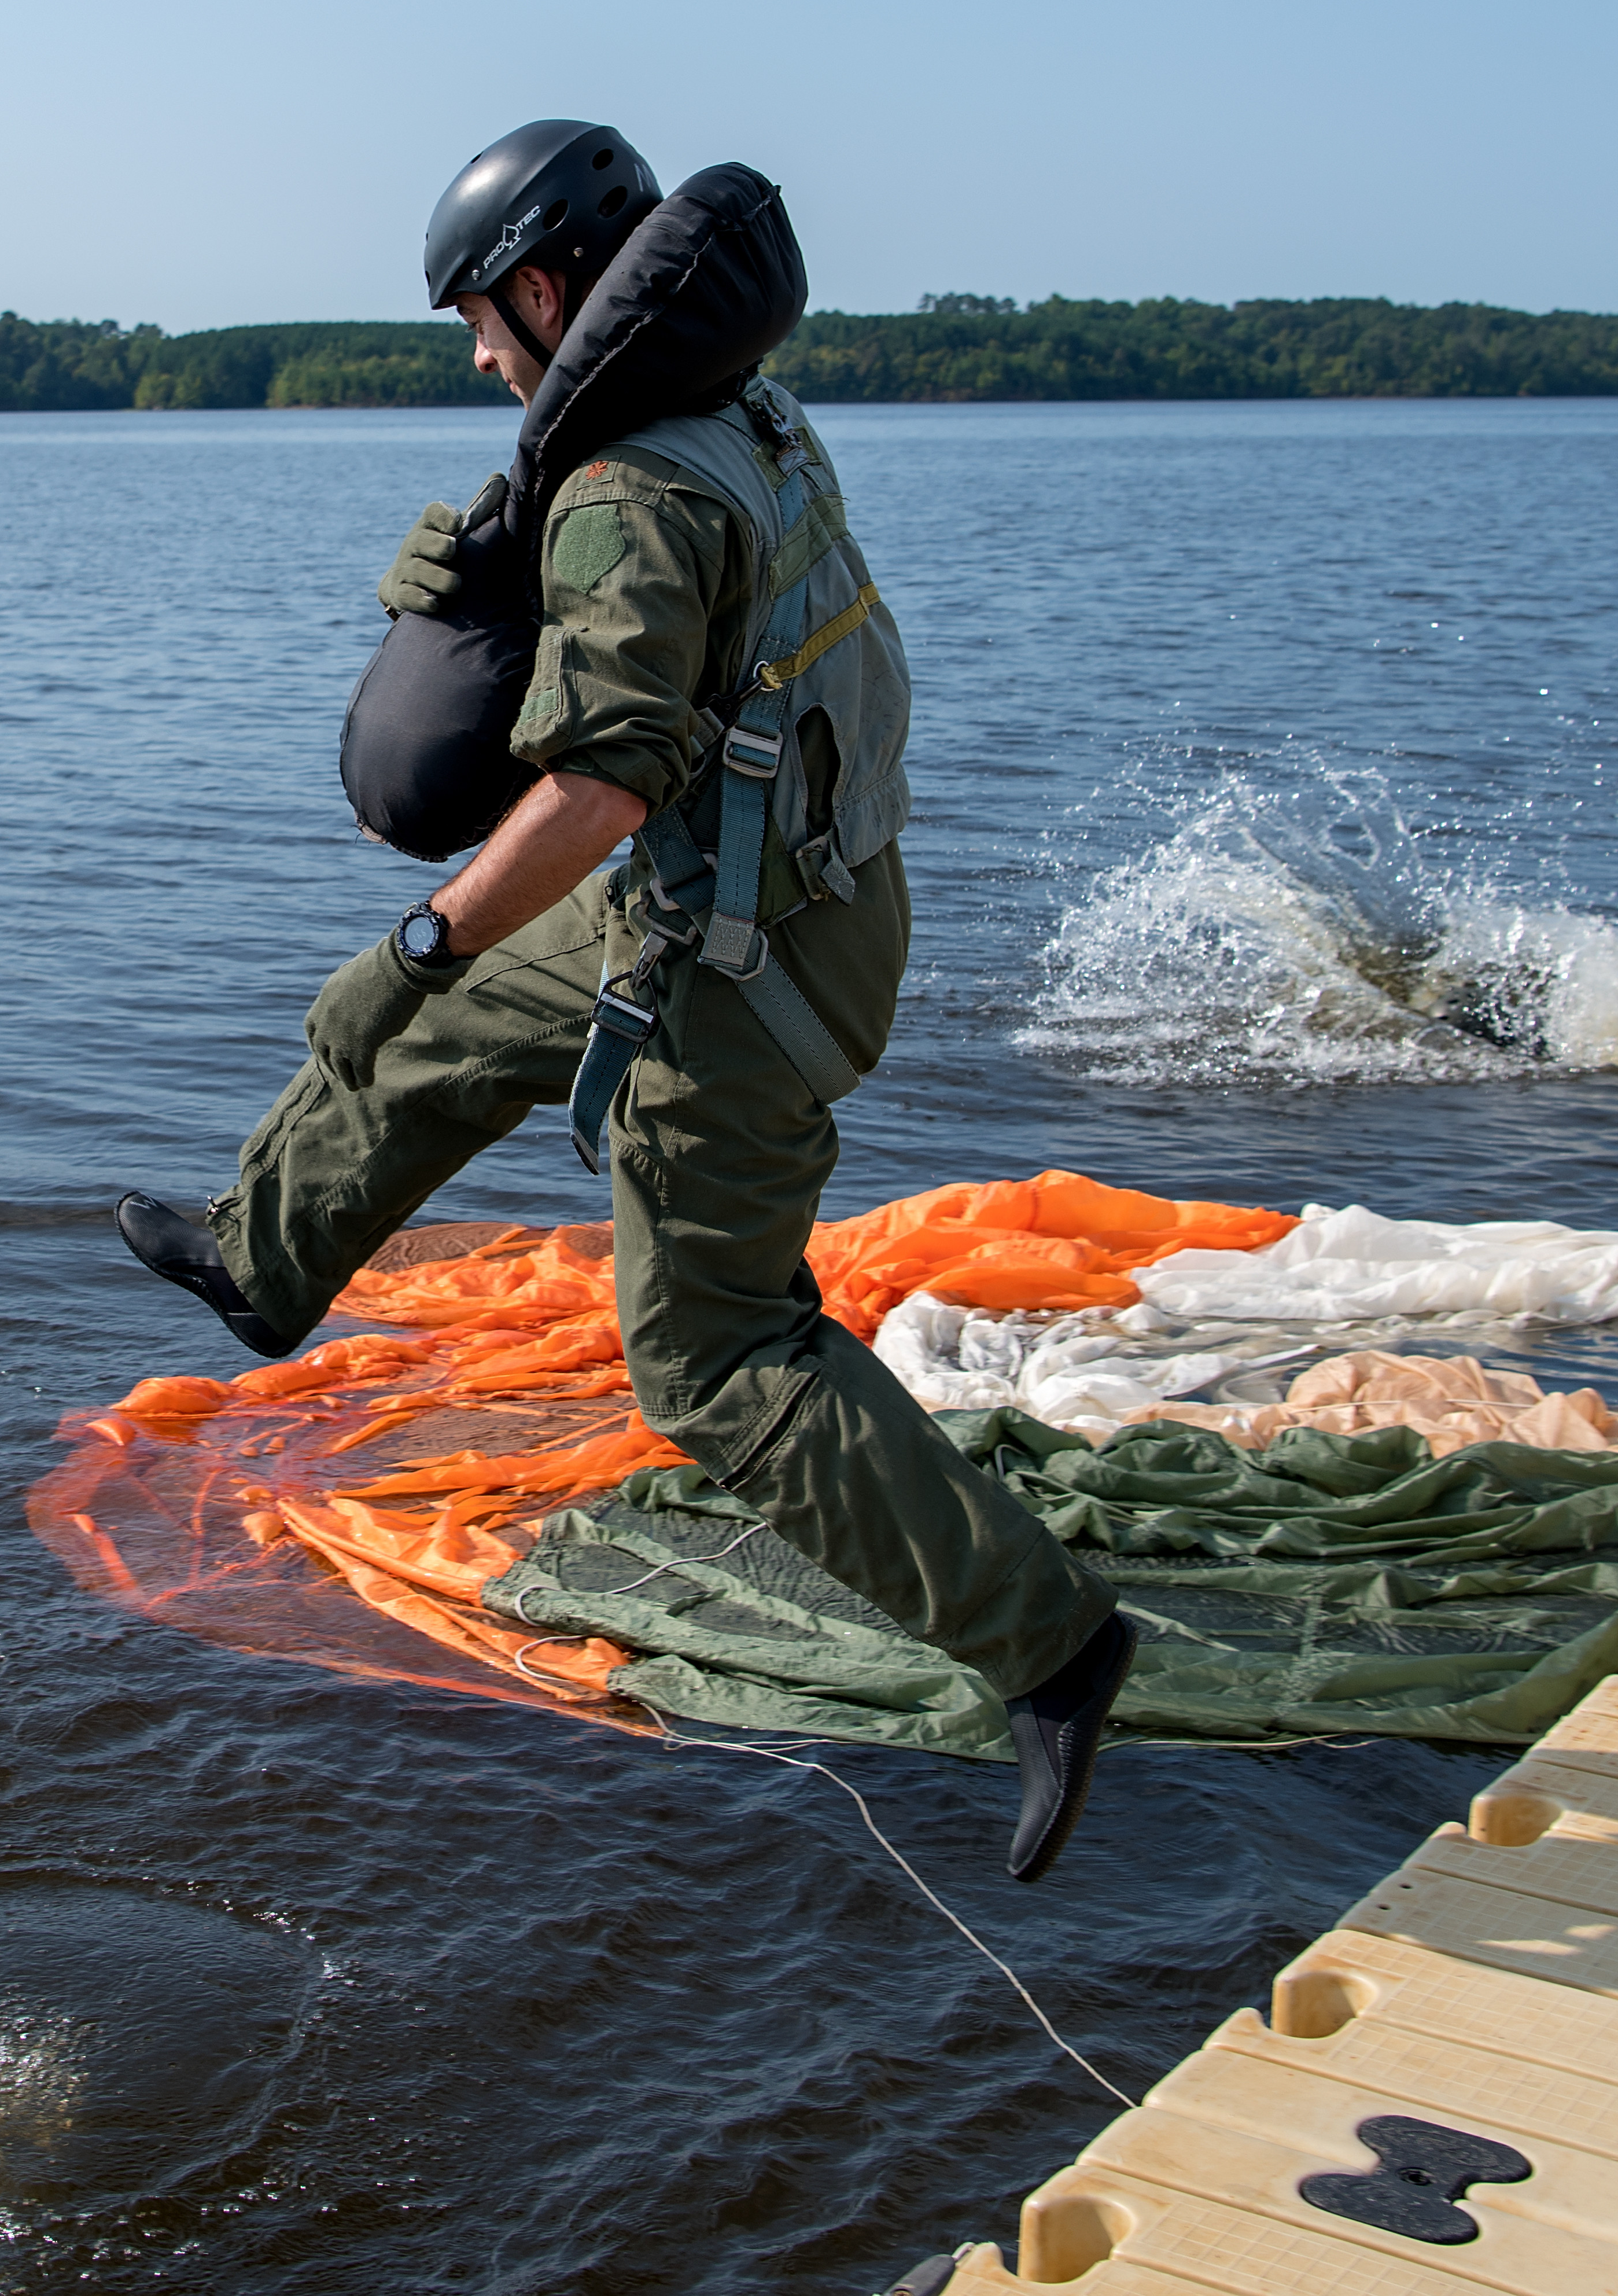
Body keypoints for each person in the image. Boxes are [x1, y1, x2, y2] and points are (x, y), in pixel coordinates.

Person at [113, 121, 1135, 1882]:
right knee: (454, 1026)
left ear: (537, 282)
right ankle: (262, 1253)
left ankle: (1050, 1649)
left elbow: (592, 783)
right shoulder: (735, 408)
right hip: (759, 897)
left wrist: (415, 938)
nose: (481, 358)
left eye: (478, 321)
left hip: (744, 972)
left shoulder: (632, 490)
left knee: (713, 1354)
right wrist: (502, 603)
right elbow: (695, 662)